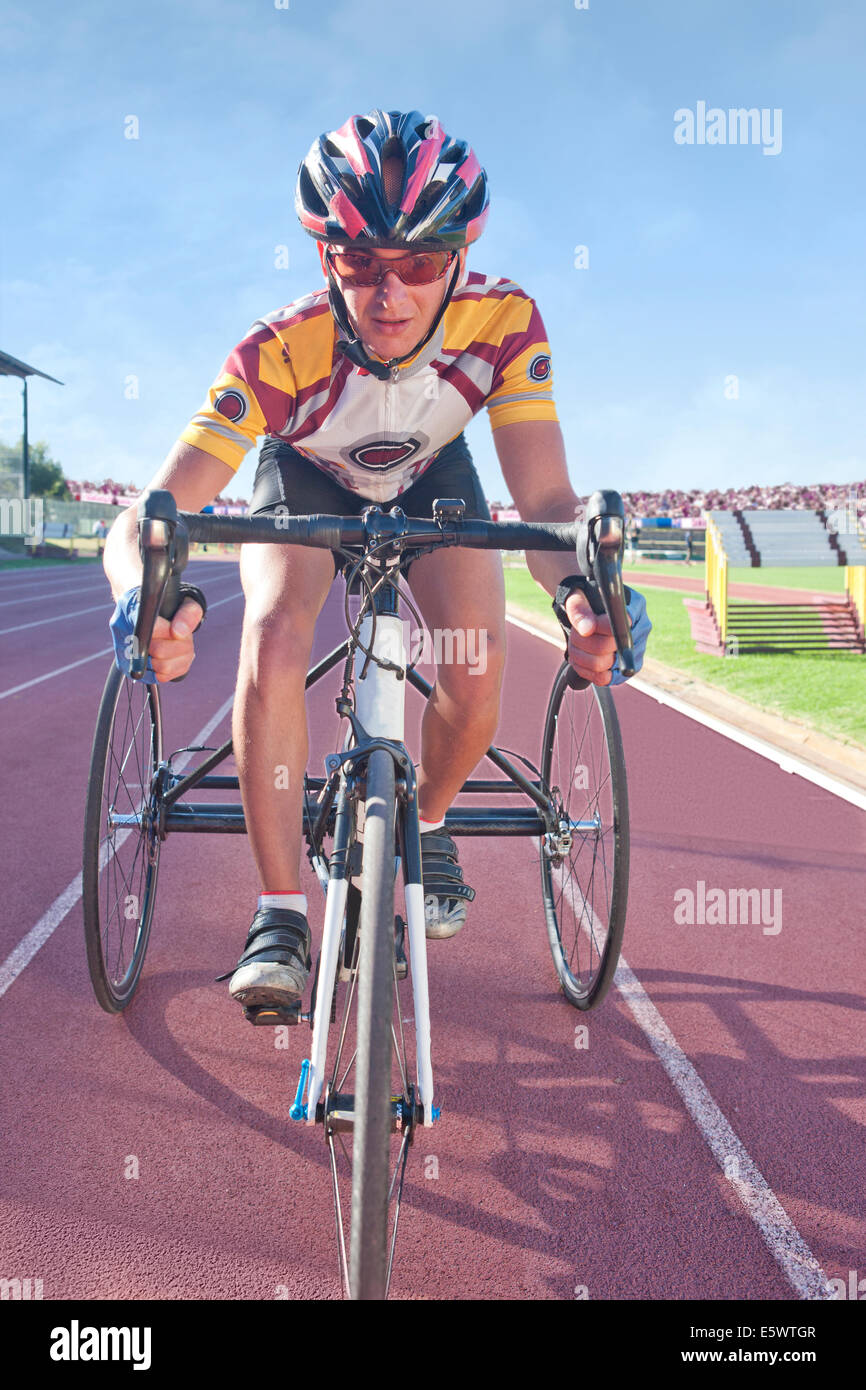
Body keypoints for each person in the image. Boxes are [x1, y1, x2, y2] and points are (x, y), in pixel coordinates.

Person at [104, 108, 650, 1016]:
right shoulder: (276, 349)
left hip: (436, 474)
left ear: (460, 264)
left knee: (477, 664)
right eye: (361, 264)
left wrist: (589, 602)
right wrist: (141, 597)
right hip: (308, 473)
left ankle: (427, 823)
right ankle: (280, 911)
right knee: (276, 636)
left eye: (421, 266)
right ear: (326, 260)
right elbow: (150, 518)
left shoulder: (506, 321)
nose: (389, 295)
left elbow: (551, 510)